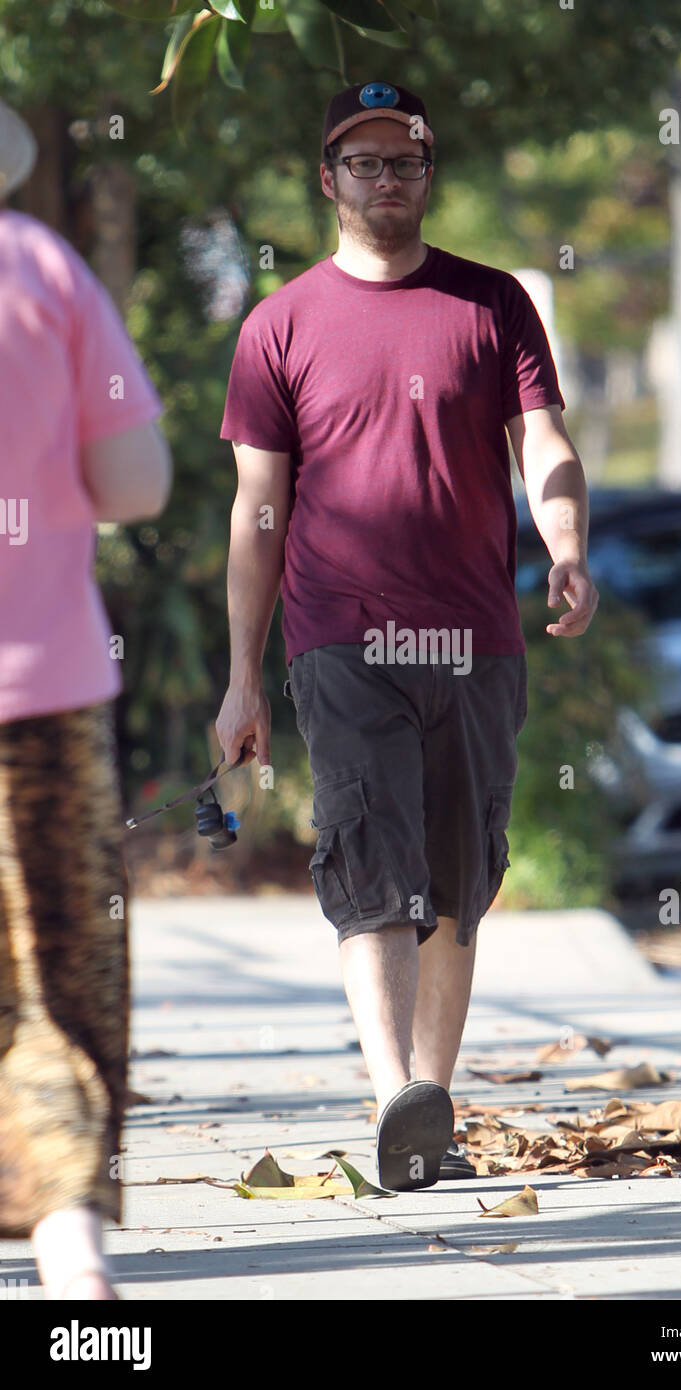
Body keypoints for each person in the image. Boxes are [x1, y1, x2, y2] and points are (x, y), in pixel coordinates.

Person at [216, 80, 598, 1191]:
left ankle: (429, 1107)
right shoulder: (278, 326)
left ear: (428, 173)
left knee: (456, 880)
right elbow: (256, 511)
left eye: (406, 161)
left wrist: (565, 544)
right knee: (371, 863)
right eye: (365, 162)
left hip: (477, 641)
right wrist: (243, 678)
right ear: (328, 178)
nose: (388, 179)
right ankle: (394, 1094)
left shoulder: (492, 306)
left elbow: (546, 445)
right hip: (341, 641)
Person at [0, 99, 172, 1297]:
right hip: (46, 688)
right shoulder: (43, 270)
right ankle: (70, 1234)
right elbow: (138, 482)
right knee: (59, 966)